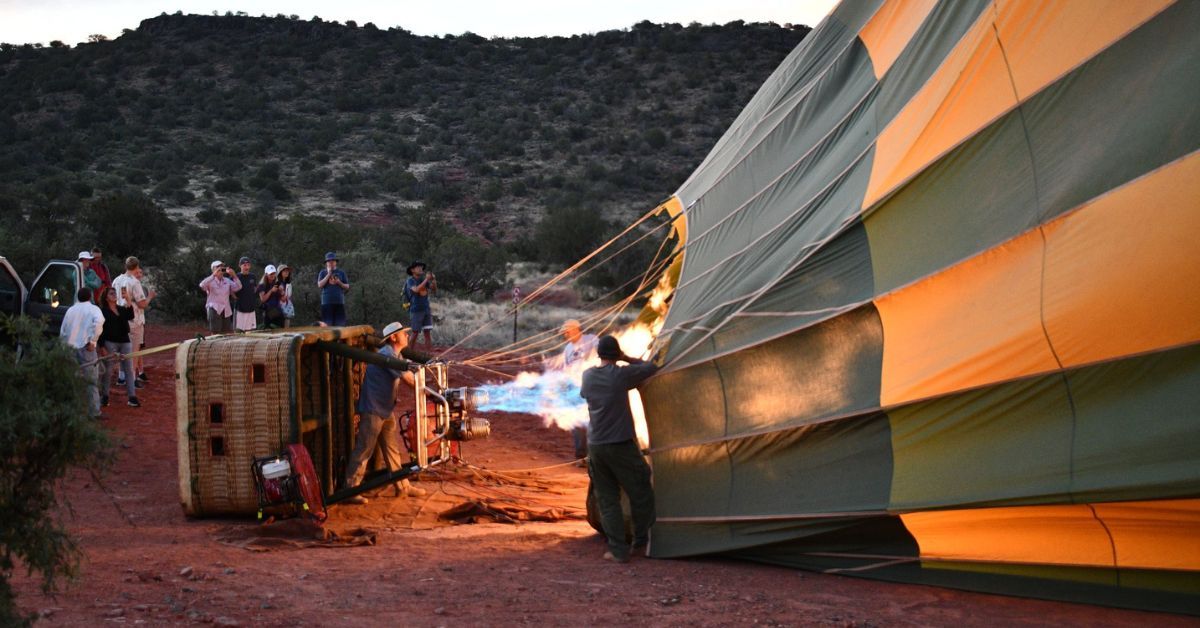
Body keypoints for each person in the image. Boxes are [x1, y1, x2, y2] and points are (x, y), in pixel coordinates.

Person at [579, 335, 660, 563]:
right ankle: (641, 540)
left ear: (599, 354)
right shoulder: (621, 375)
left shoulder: (587, 376)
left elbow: (585, 394)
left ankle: (617, 550)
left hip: (596, 446)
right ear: (617, 354)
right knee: (641, 490)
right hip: (621, 445)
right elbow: (651, 367)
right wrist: (627, 358)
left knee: (607, 500)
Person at [342, 322, 426, 504]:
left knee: (391, 449)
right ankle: (350, 490)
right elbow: (409, 380)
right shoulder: (388, 356)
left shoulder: (396, 355)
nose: (406, 335)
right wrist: (429, 390)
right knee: (364, 450)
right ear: (394, 337)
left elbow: (408, 369)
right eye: (403, 333)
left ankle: (402, 486)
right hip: (374, 409)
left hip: (384, 409)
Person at [59, 287, 105, 419]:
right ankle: (94, 412)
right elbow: (100, 322)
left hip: (70, 348)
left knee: (71, 379)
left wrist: (63, 346)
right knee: (91, 381)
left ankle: (71, 411)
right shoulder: (94, 309)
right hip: (86, 348)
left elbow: (63, 330)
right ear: (90, 296)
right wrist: (93, 341)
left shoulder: (70, 310)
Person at [111, 256, 156, 386]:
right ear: (136, 267)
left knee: (122, 349)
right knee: (134, 350)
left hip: (119, 318)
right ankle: (132, 379)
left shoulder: (116, 280)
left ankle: (121, 377)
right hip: (134, 319)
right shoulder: (134, 282)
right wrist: (150, 297)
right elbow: (142, 304)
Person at [560, 319, 598, 463]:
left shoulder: (591, 339)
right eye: (564, 332)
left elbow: (600, 351)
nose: (565, 335)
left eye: (567, 331)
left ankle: (593, 456)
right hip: (575, 390)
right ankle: (581, 456)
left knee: (591, 422)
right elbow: (566, 370)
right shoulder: (568, 348)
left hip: (591, 387)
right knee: (577, 422)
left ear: (576, 329)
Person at [97, 286, 138, 408]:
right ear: (106, 297)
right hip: (110, 342)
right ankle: (105, 396)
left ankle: (132, 397)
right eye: (111, 293)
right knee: (108, 370)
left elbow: (131, 315)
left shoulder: (121, 309)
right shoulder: (103, 311)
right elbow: (100, 329)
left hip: (125, 341)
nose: (114, 295)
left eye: (115, 293)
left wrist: (128, 299)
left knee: (129, 369)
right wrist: (102, 346)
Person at [199, 260, 241, 333]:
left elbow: (238, 287)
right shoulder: (210, 281)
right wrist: (213, 275)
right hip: (214, 308)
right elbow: (202, 285)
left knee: (227, 333)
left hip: (226, 309)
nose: (220, 268)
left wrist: (234, 275)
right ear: (213, 269)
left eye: (222, 266)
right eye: (218, 267)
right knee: (215, 333)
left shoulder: (227, 280)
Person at [403, 261, 436, 349]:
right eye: (418, 267)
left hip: (426, 309)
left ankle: (429, 355)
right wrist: (427, 279)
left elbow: (434, 290)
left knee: (427, 333)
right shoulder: (410, 281)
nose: (421, 268)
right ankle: (409, 354)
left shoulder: (422, 280)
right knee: (415, 333)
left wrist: (433, 280)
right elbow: (416, 290)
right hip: (416, 310)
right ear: (412, 270)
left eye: (421, 267)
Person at [317, 252, 349, 326]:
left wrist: (339, 282)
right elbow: (319, 285)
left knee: (340, 325)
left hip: (339, 302)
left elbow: (347, 286)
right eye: (329, 261)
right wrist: (329, 274)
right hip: (326, 303)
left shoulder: (341, 272)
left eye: (333, 261)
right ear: (326, 263)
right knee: (327, 326)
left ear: (335, 262)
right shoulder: (322, 272)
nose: (331, 263)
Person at [233, 256, 258, 331]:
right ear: (240, 265)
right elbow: (230, 289)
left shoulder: (252, 276)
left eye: (248, 265)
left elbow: (255, 289)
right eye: (244, 265)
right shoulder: (236, 276)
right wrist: (234, 296)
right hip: (240, 309)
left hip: (251, 309)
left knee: (250, 332)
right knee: (238, 332)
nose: (247, 267)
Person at [258, 264, 286, 329]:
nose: (273, 275)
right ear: (266, 274)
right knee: (268, 330)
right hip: (268, 312)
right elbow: (263, 299)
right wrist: (271, 291)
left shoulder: (277, 283)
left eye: (274, 273)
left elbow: (283, 299)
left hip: (278, 311)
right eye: (271, 274)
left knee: (281, 330)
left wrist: (282, 292)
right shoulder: (262, 285)